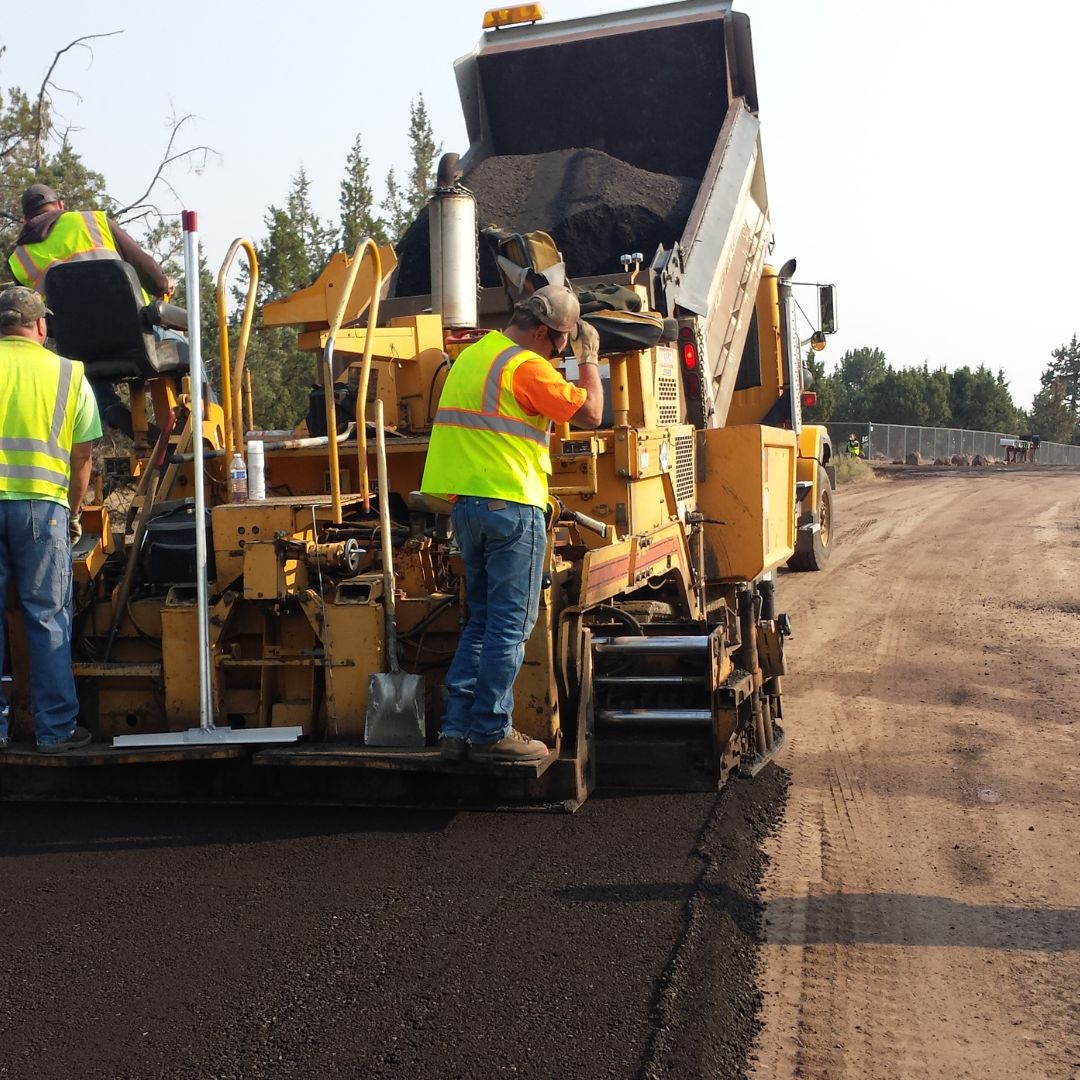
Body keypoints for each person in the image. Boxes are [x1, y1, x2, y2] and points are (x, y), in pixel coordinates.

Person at [421, 284, 603, 763]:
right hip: (512, 507)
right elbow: (591, 413)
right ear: (543, 331)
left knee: (480, 622)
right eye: (560, 344)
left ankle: (456, 731)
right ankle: (491, 731)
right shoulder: (525, 366)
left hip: (468, 509)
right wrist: (588, 358)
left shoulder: (476, 356)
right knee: (509, 625)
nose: (557, 353)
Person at [0, 286, 101, 753]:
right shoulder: (69, 374)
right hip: (43, 509)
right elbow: (83, 458)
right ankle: (56, 731)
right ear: (41, 325)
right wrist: (74, 511)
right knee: (47, 618)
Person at [8, 184, 175, 301]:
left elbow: (28, 309)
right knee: (176, 340)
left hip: (73, 342)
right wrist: (161, 285)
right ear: (60, 205)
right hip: (133, 327)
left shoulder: (20, 258)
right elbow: (140, 262)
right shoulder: (92, 220)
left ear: (25, 219)